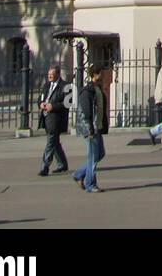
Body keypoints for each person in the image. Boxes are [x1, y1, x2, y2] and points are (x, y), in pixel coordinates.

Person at [72, 64, 109, 193]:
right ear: (95, 74)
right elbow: (86, 112)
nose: (103, 77)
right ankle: (90, 184)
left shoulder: (98, 89)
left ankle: (78, 174)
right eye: (101, 74)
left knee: (100, 153)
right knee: (93, 156)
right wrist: (90, 130)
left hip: (97, 127)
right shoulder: (87, 91)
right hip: (90, 128)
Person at [36, 63, 69, 175]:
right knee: (54, 142)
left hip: (56, 118)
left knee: (50, 142)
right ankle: (62, 164)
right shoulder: (46, 85)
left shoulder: (65, 86)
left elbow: (67, 103)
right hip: (46, 118)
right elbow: (40, 99)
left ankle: (44, 167)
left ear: (58, 74)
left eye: (52, 74)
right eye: (49, 74)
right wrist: (40, 104)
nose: (50, 76)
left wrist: (53, 106)